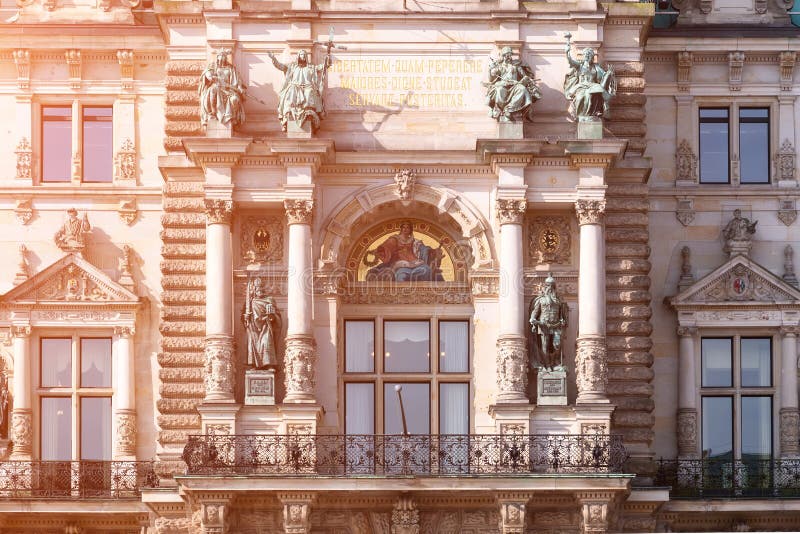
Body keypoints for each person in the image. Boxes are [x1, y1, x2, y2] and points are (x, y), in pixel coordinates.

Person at [268, 49, 330, 132]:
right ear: (298, 56)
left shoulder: (311, 67)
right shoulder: (292, 66)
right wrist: (273, 59)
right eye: (301, 55)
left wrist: (327, 60)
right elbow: (280, 66)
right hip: (295, 86)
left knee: (309, 93)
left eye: (304, 55)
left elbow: (322, 67)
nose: (303, 56)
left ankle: (308, 114)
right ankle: (288, 116)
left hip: (308, 87)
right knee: (291, 91)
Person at [365, 221, 443, 282]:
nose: (405, 229)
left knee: (427, 270)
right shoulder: (394, 239)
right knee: (401, 276)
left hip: (416, 262)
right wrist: (378, 250)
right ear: (401, 229)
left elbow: (425, 249)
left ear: (410, 230)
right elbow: (386, 247)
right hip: (401, 265)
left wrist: (434, 251)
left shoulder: (415, 241)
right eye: (404, 227)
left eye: (408, 227)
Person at [485, 47, 541, 122]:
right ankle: (501, 110)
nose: (508, 57)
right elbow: (491, 79)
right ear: (503, 56)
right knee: (499, 90)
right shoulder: (499, 67)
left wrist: (527, 79)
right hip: (503, 85)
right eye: (506, 55)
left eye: (509, 55)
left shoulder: (516, 65)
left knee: (522, 89)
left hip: (515, 85)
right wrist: (490, 70)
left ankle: (509, 109)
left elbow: (524, 76)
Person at [564, 44, 616, 121]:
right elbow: (570, 61)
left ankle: (602, 110)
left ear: (592, 57)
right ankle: (582, 114)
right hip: (581, 87)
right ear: (583, 56)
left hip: (593, 86)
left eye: (589, 55)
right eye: (586, 54)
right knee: (583, 96)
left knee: (595, 92)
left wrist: (609, 73)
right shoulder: (579, 66)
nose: (587, 56)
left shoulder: (596, 67)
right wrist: (567, 52)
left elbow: (604, 77)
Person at [529, 274, 568, 370]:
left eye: (551, 285)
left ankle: (554, 363)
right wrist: (533, 319)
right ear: (545, 286)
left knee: (557, 345)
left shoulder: (559, 300)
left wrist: (563, 321)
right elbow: (535, 312)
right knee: (545, 346)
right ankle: (547, 365)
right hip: (543, 326)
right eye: (547, 285)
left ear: (554, 287)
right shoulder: (540, 300)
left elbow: (562, 314)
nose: (549, 288)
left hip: (556, 326)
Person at [198, 49, 246, 127]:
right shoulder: (213, 67)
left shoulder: (231, 68)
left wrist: (240, 88)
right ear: (217, 58)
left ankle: (231, 117)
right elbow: (207, 73)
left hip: (229, 90)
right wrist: (211, 77)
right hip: (217, 87)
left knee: (234, 99)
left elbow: (236, 81)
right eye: (220, 56)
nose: (222, 59)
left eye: (224, 57)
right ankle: (213, 112)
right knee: (213, 89)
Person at [243, 278, 282, 369]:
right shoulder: (251, 302)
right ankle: (254, 364)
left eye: (261, 289)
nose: (259, 291)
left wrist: (272, 315)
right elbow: (244, 318)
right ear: (254, 291)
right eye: (257, 290)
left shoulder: (269, 300)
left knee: (266, 342)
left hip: (266, 325)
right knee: (253, 345)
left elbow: (277, 317)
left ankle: (269, 364)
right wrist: (246, 318)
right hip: (253, 328)